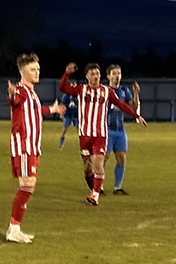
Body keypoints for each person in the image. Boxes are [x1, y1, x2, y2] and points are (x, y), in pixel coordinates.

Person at [59, 62, 145, 206]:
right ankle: (94, 188)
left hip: (100, 134)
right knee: (87, 168)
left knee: (98, 163)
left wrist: (136, 116)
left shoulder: (106, 91)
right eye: (92, 74)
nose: (95, 77)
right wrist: (67, 73)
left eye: (97, 74)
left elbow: (121, 105)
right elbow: (63, 88)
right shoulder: (81, 90)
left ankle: (96, 195)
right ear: (87, 76)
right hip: (85, 134)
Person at [5, 53, 66, 243]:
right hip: (24, 146)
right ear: (23, 72)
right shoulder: (22, 91)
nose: (37, 72)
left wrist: (53, 110)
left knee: (28, 187)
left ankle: (15, 228)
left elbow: (34, 110)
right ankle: (13, 229)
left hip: (32, 147)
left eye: (38, 69)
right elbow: (15, 100)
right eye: (33, 69)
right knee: (27, 186)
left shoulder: (31, 93)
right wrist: (12, 94)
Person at [103, 64, 140, 195]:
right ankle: (98, 187)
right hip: (106, 130)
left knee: (121, 158)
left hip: (120, 130)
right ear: (108, 76)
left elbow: (133, 108)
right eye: (114, 73)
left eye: (119, 73)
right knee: (103, 158)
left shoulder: (124, 91)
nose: (117, 76)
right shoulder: (105, 91)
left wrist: (136, 94)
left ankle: (117, 187)